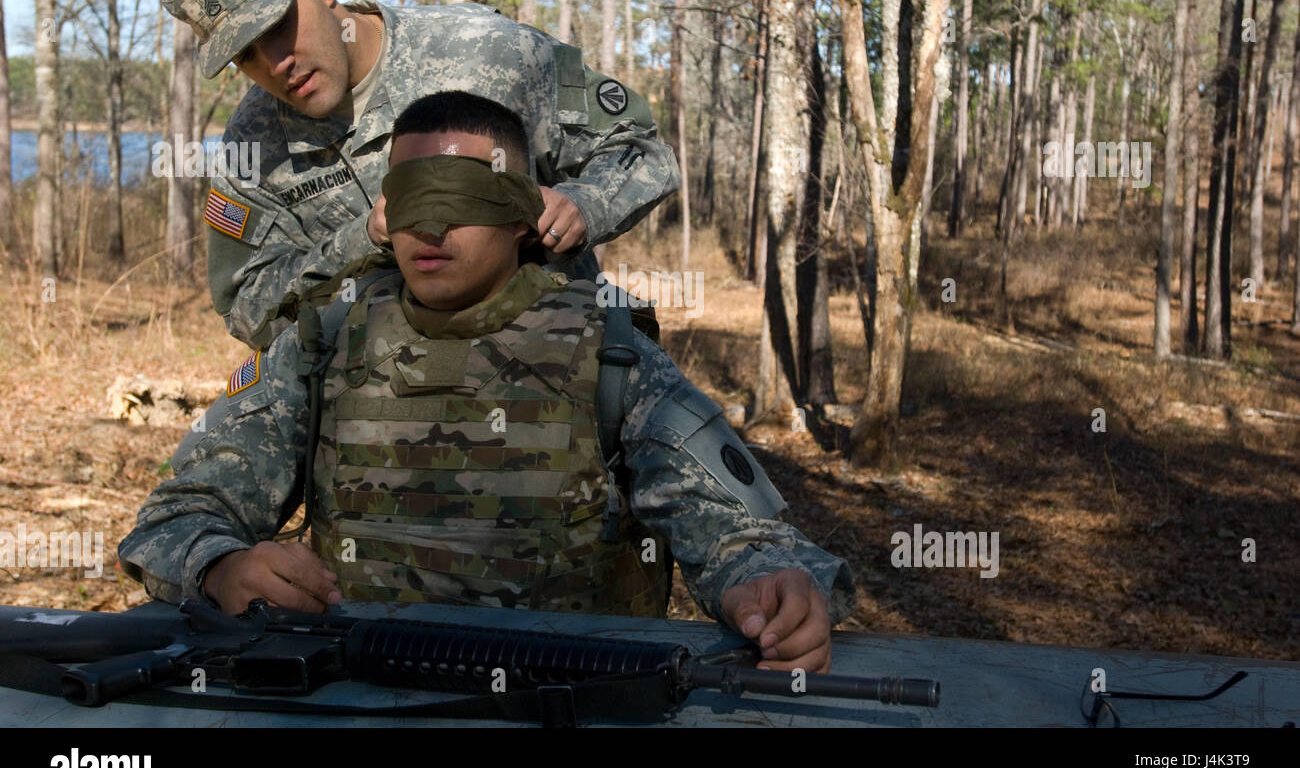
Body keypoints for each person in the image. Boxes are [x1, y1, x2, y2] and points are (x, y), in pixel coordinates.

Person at [118, 92, 855, 673]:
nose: (431, 228)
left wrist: (772, 590)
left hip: (565, 699)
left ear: (524, 213)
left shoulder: (611, 354)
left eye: (464, 198)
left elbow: (744, 536)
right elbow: (178, 516)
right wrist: (222, 567)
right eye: (412, 198)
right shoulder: (321, 342)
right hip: (354, 694)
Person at [162, 0, 679, 349]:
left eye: (278, 26)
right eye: (246, 55)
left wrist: (584, 205)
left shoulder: (486, 51)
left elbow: (639, 148)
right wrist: (361, 240)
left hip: (548, 377)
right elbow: (247, 309)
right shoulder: (255, 144)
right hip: (379, 407)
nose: (275, 63)